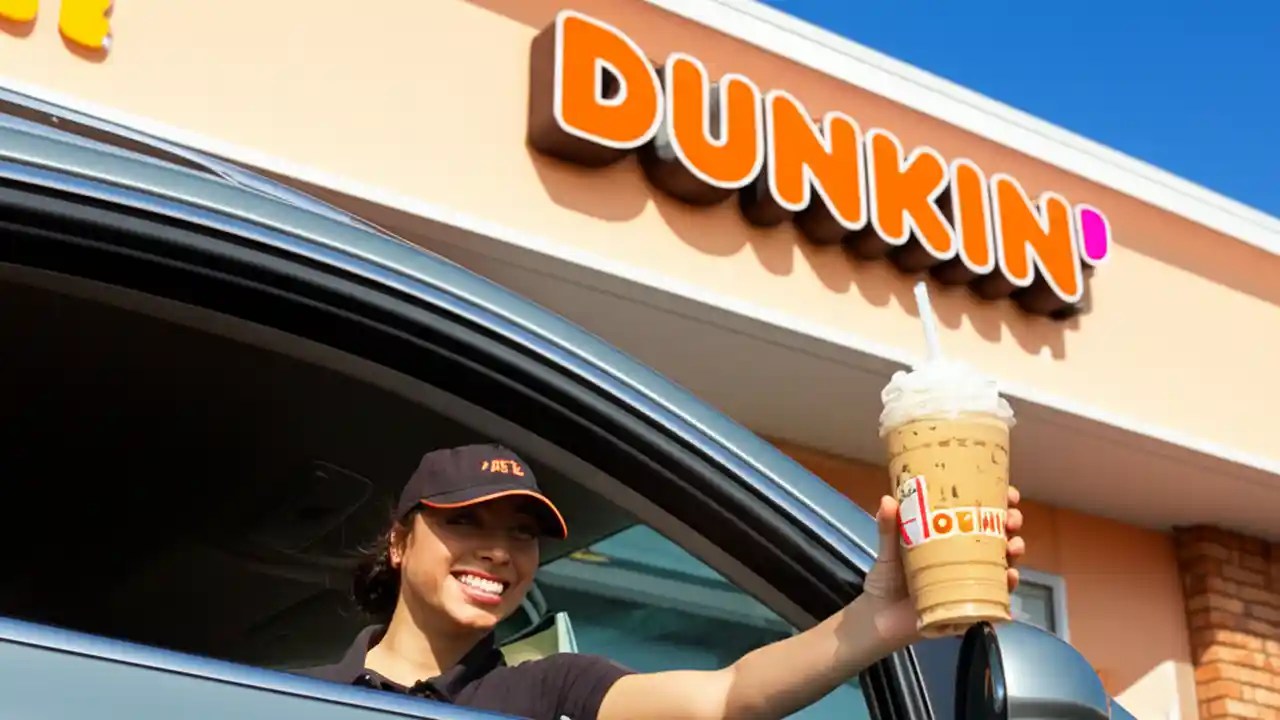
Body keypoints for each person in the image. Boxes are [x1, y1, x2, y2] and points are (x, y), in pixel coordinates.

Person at [296, 443, 1026, 720]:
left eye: (521, 534)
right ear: (399, 542)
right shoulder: (290, 694)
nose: (498, 552)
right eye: (466, 524)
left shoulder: (554, 693)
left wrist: (882, 619)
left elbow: (727, 696)